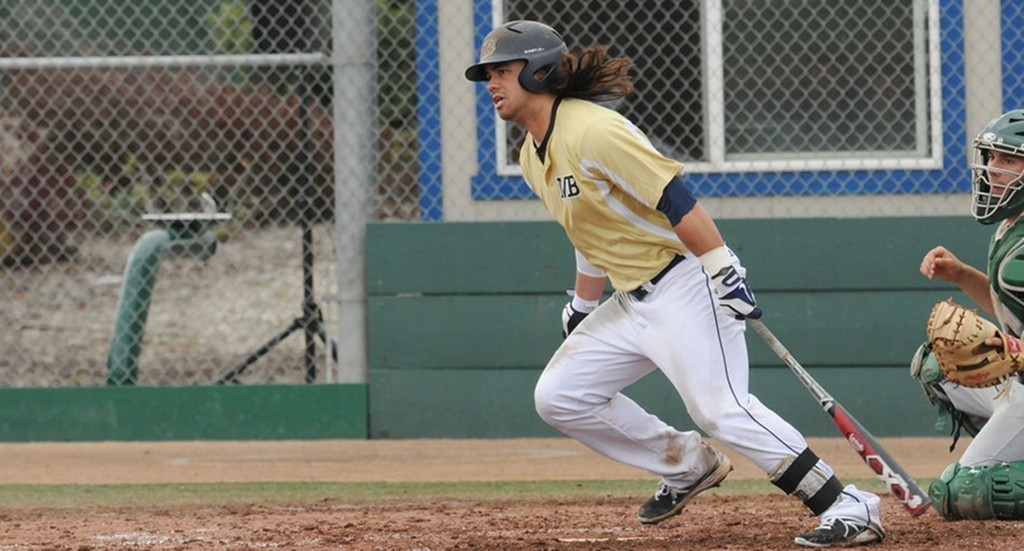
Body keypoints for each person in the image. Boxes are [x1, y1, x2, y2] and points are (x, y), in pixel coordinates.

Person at [464, 20, 884, 547]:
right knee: (560, 396)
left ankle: (851, 506)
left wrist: (722, 265)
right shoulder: (532, 153)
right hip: (633, 301)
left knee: (719, 409)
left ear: (540, 71)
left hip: (686, 282)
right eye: (489, 75)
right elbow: (587, 229)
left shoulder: (593, 129)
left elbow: (674, 198)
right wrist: (582, 302)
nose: (492, 84)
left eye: (503, 70)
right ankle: (689, 463)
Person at [914, 108, 1024, 520]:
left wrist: (1014, 350)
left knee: (961, 492)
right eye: (992, 158)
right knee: (935, 363)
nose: (993, 169)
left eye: (1008, 161)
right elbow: (1008, 301)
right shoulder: (1013, 226)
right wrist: (960, 275)